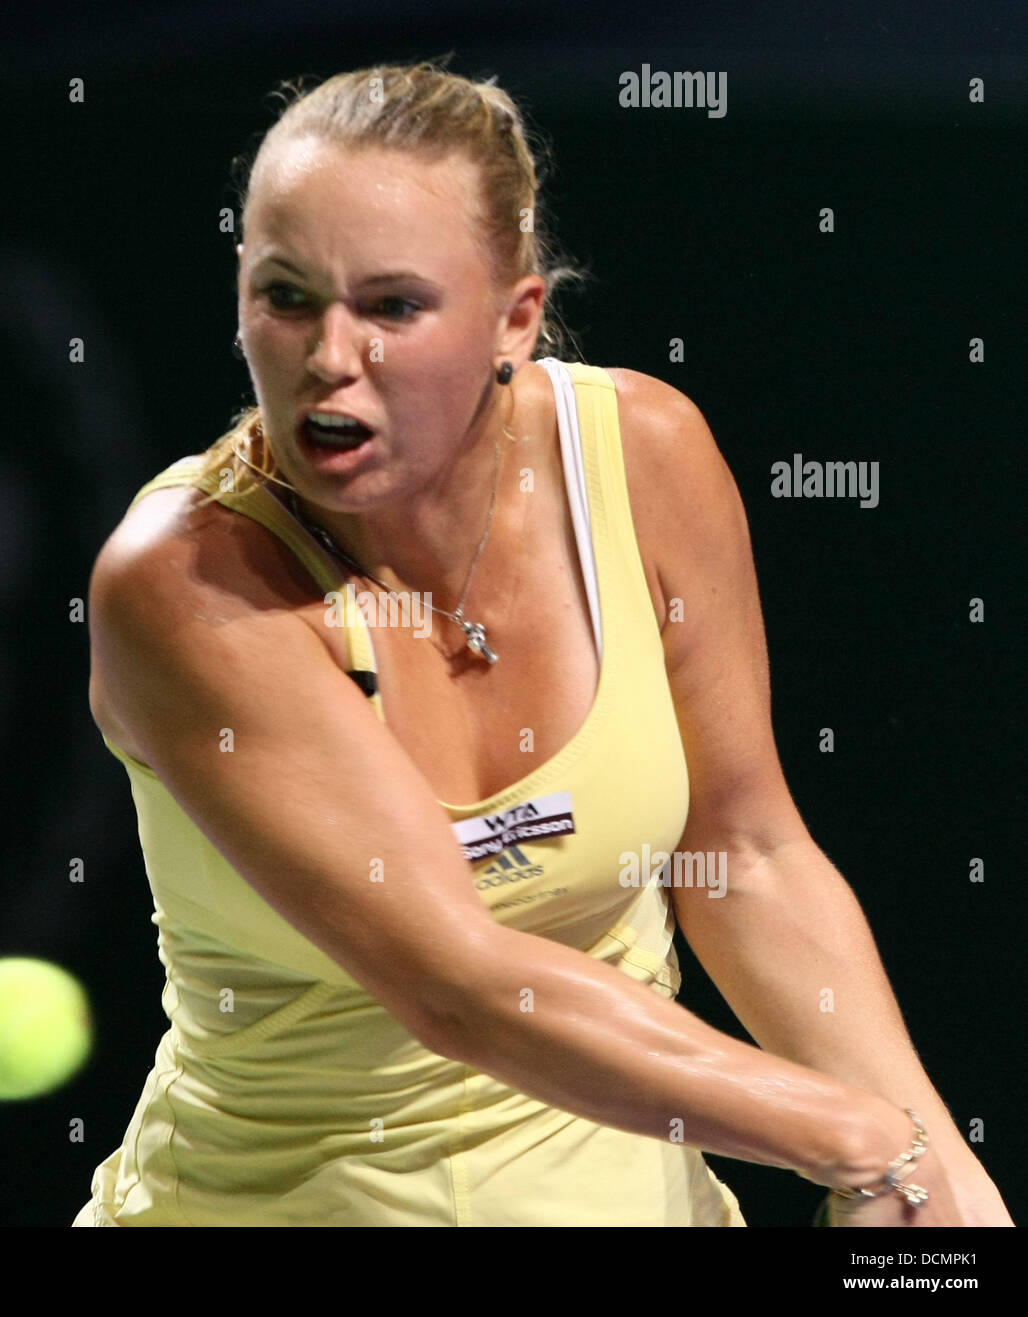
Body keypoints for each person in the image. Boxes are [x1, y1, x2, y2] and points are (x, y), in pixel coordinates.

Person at [72, 59, 1013, 1227]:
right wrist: (855, 1138)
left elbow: (746, 849)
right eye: (287, 296)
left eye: (393, 307)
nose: (329, 356)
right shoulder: (183, 584)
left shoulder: (647, 455)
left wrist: (941, 1180)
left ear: (515, 317)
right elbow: (459, 983)